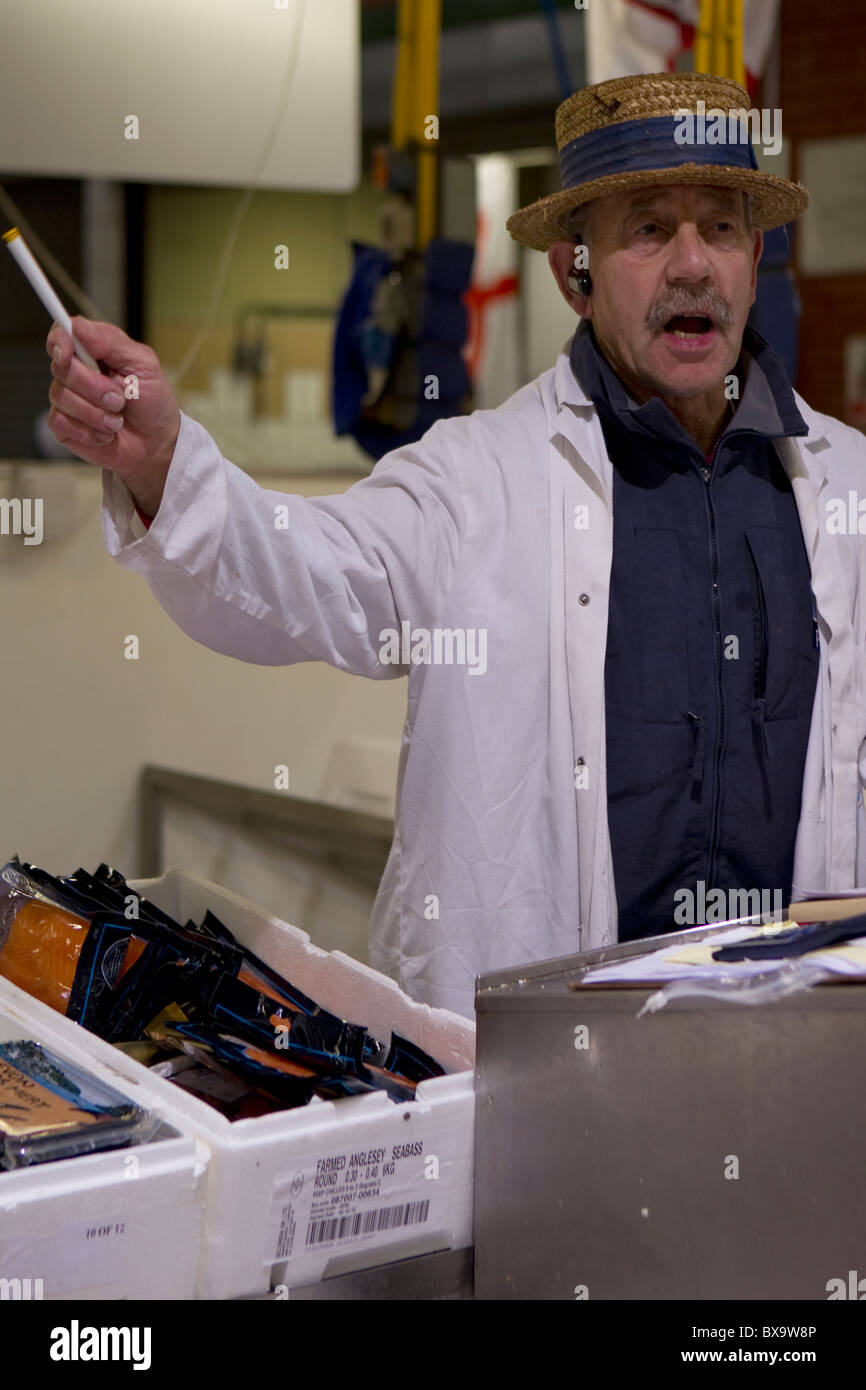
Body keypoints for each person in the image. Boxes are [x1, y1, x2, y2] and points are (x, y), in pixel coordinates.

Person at [44, 72, 866, 1021]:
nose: (693, 263)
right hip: (552, 1057)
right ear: (575, 273)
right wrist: (166, 464)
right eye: (647, 227)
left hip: (796, 1040)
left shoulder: (841, 484)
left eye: (720, 227)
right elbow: (310, 573)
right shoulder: (473, 480)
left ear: (754, 256)